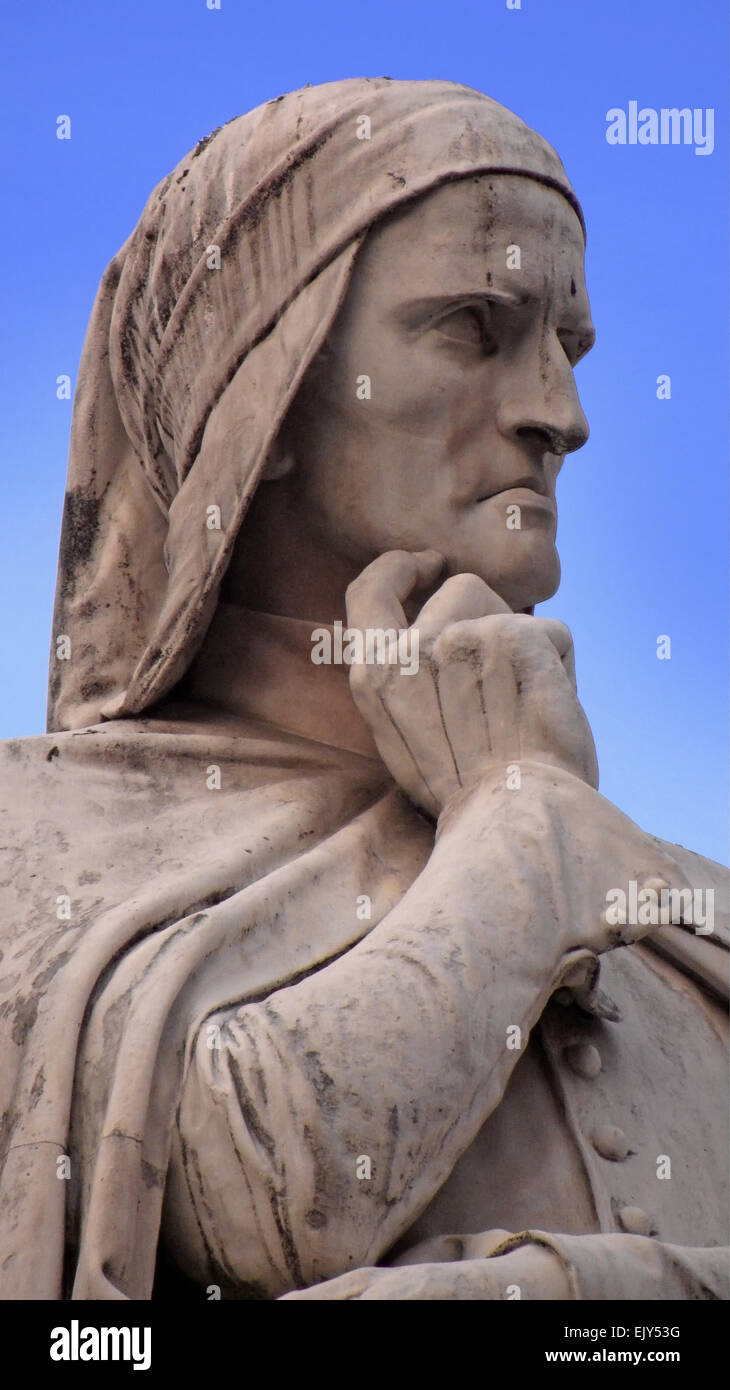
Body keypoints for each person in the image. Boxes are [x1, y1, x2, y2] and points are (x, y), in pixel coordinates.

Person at [0, 78, 726, 1303]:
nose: (562, 415)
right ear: (263, 394)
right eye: (472, 327)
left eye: (567, 347)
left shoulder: (684, 917)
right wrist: (522, 835)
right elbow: (253, 1206)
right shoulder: (38, 847)